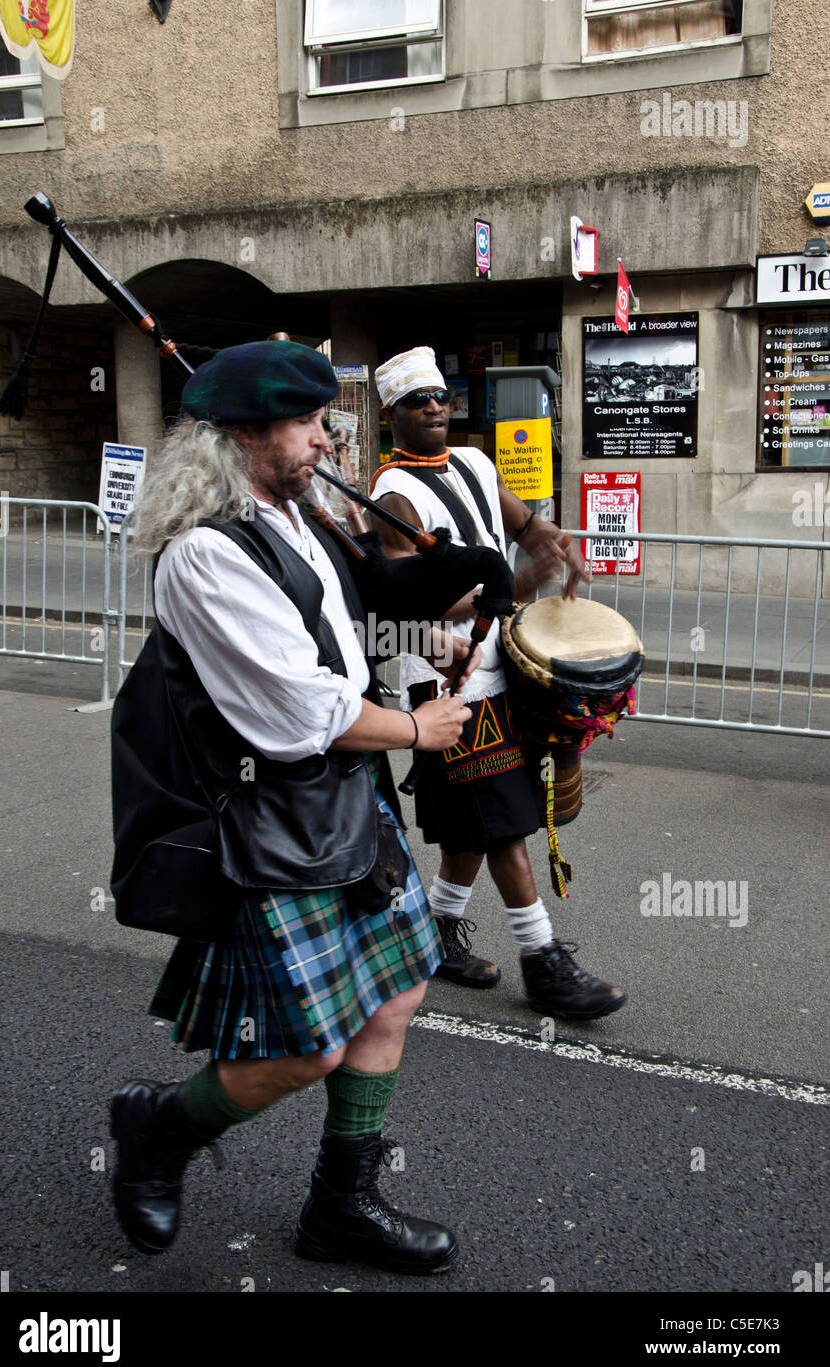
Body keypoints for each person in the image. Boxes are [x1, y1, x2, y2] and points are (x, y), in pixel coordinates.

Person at [109, 339, 481, 1275]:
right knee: (307, 1049)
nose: (327, 439)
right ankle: (161, 1127)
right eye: (310, 423)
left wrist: (422, 641)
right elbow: (294, 713)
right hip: (279, 820)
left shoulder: (293, 515)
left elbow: (334, 639)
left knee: (395, 996)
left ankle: (338, 1209)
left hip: (349, 802)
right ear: (244, 435)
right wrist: (415, 732)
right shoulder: (203, 557)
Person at [370, 345, 627, 1021]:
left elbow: (527, 523)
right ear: (390, 413)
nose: (433, 408)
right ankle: (542, 960)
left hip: (501, 666)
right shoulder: (391, 496)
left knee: (472, 824)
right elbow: (407, 603)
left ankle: (428, 936)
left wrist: (554, 543)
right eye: (415, 401)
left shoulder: (478, 464)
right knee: (506, 819)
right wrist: (515, 584)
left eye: (439, 397)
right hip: (445, 680)